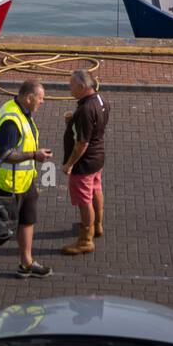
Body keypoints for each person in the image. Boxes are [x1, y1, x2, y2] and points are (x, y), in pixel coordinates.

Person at [0, 80, 54, 278]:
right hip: (5, 184)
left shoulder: (21, 110)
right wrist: (34, 155)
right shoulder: (11, 121)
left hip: (24, 182)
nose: (42, 102)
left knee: (27, 219)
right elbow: (4, 154)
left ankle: (26, 263)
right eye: (40, 98)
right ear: (29, 98)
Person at [61, 69, 109, 256]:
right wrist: (73, 123)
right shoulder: (101, 101)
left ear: (82, 87)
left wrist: (69, 164)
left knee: (84, 200)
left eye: (71, 85)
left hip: (85, 163)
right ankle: (97, 225)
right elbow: (95, 127)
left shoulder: (85, 110)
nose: (69, 88)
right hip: (98, 158)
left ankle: (85, 240)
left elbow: (82, 143)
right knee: (96, 189)